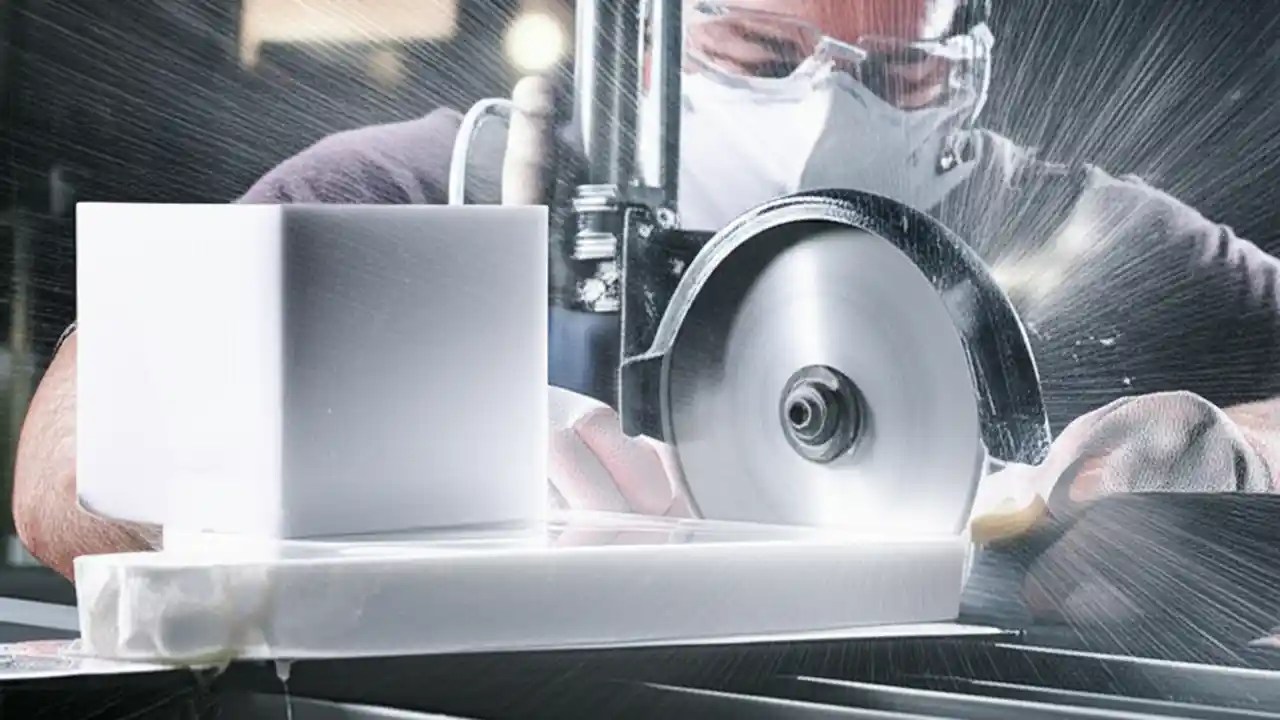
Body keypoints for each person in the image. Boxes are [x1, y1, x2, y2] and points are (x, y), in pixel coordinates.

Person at [13, 0, 1280, 625]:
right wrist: (399, 470)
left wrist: (1239, 457)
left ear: (974, 65)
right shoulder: (418, 189)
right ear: (648, 35)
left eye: (902, 73)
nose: (827, 113)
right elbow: (61, 483)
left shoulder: (1078, 234)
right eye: (758, 56)